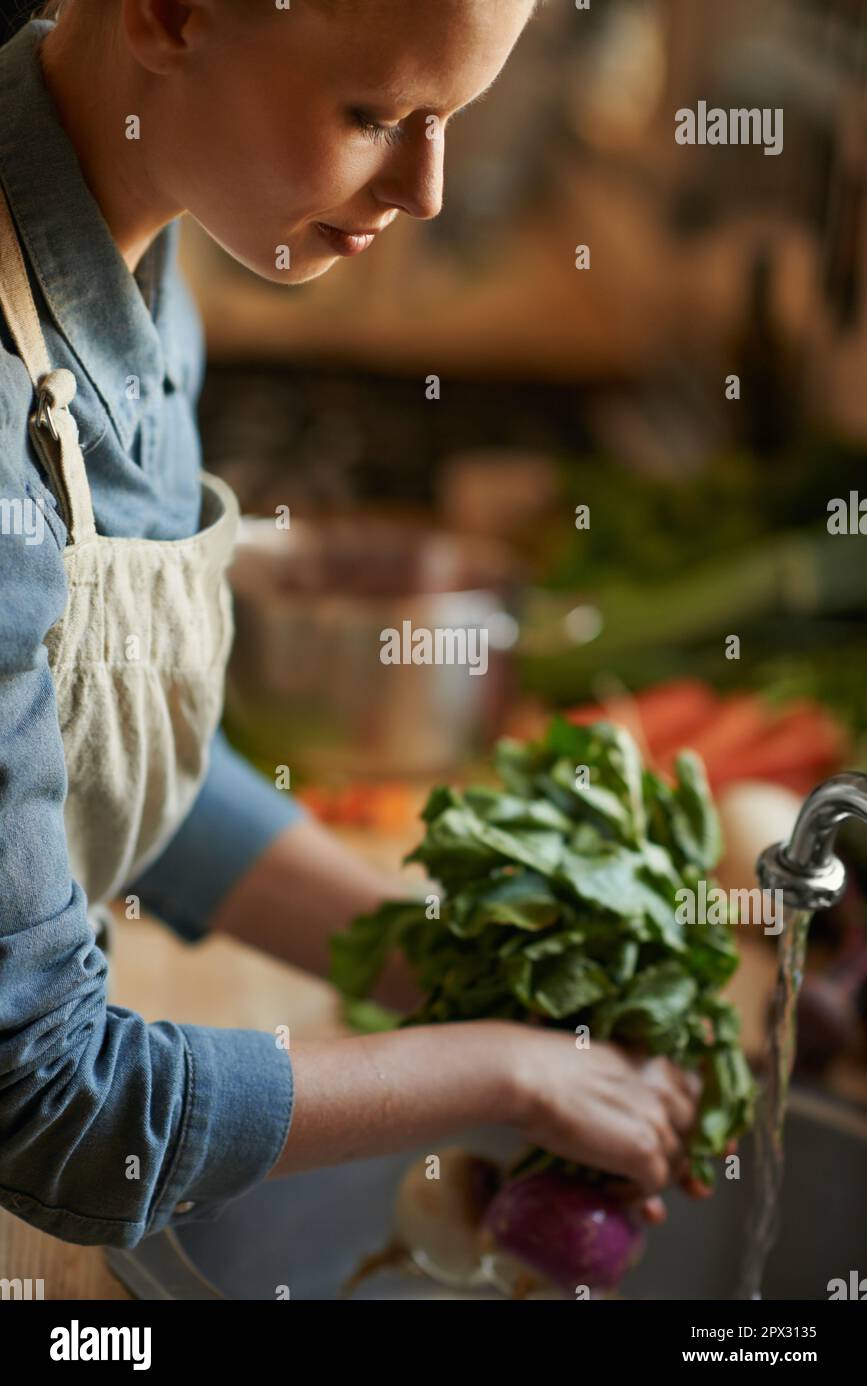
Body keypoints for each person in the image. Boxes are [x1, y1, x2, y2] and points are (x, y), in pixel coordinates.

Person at [0, 0, 708, 1260]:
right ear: (169, 15)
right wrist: (503, 1071)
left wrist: (436, 963)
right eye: (375, 116)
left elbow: (90, 766)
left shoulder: (142, 253)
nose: (428, 191)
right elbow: (50, 1099)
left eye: (453, 120)